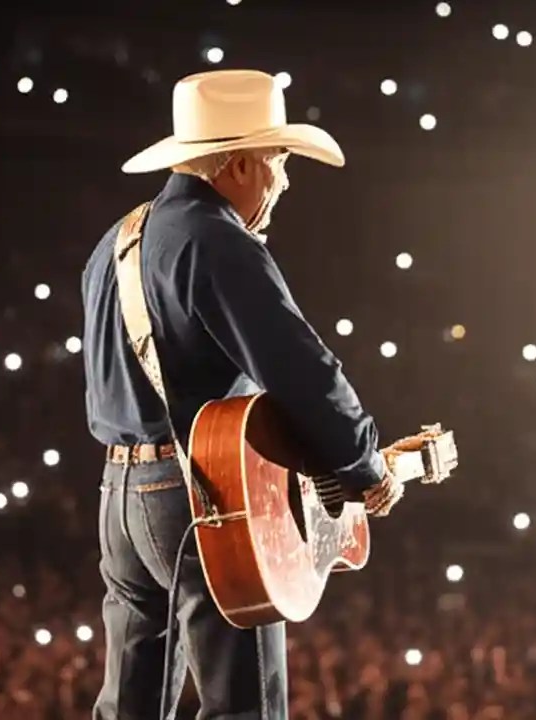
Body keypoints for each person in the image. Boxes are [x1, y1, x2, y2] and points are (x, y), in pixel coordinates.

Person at [80, 69, 405, 719]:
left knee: (130, 708)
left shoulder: (113, 244)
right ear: (238, 165)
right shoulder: (217, 240)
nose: (283, 181)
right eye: (277, 161)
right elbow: (301, 369)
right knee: (246, 706)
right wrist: (364, 462)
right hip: (201, 500)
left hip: (119, 500)